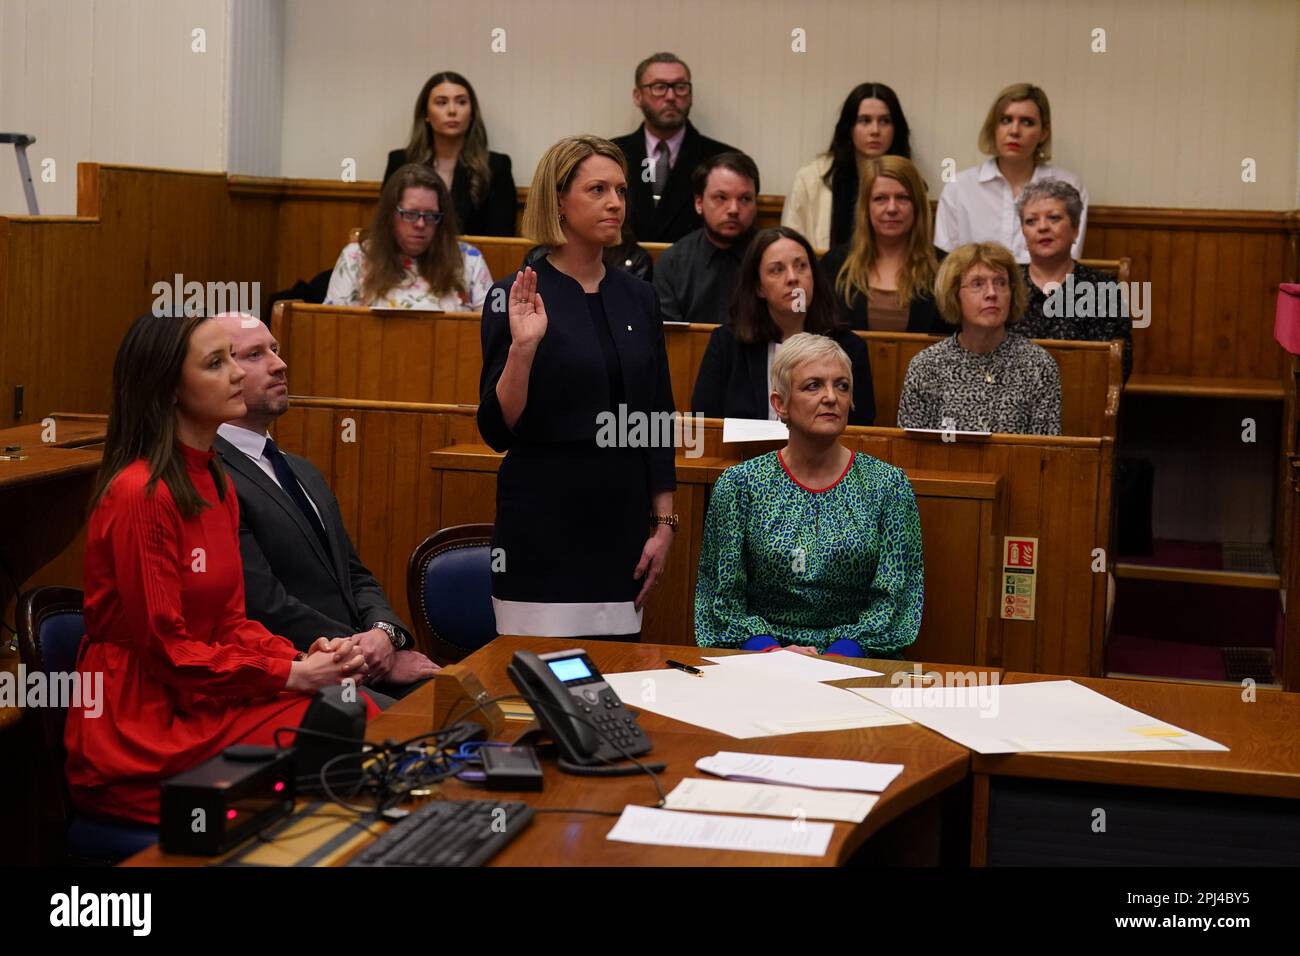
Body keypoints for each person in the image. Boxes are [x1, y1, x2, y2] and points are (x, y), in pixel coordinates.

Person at [63, 312, 378, 825]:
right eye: (216, 363)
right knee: (339, 737)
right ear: (168, 389)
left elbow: (231, 624)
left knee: (354, 716)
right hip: (143, 729)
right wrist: (291, 675)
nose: (236, 373)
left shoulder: (214, 478)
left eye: (234, 358)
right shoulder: (141, 493)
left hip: (202, 698)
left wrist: (301, 655)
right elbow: (167, 649)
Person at [478, 135, 677, 640]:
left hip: (620, 525)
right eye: (597, 190)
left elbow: (657, 413)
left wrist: (664, 525)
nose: (615, 203)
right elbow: (498, 429)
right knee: (531, 691)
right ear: (558, 202)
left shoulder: (639, 297)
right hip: (541, 520)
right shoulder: (514, 294)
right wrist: (523, 348)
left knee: (615, 685)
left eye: (621, 190)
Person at [211, 314, 441, 699]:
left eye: (275, 350)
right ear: (216, 373)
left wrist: (384, 634)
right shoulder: (210, 477)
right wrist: (366, 656)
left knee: (471, 709)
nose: (279, 364)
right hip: (300, 673)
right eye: (254, 354)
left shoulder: (301, 469)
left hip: (359, 661)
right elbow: (264, 606)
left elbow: (355, 576)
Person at [695, 333, 923, 658]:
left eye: (842, 386)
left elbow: (896, 600)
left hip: (857, 661)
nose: (831, 397)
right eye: (813, 385)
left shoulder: (888, 486)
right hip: (761, 662)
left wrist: (837, 657)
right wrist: (773, 652)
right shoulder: (739, 485)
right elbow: (720, 600)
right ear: (780, 404)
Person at [691, 226, 874, 424]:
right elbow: (705, 423)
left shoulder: (849, 347)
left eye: (801, 266)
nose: (793, 278)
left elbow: (861, 429)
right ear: (758, 287)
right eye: (777, 270)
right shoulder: (727, 344)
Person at [897, 242, 1062, 435]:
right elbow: (910, 452)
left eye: (1001, 283)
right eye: (977, 284)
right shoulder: (926, 367)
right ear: (954, 295)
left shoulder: (1038, 365)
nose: (992, 293)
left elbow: (1045, 455)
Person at [934, 83, 1088, 264]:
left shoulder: (1068, 186)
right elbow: (947, 264)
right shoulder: (959, 188)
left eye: (1027, 122)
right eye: (1006, 120)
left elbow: (1066, 261)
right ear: (994, 128)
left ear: (1043, 133)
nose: (1014, 131)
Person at [325, 163, 492, 311]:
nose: (420, 224)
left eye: (431, 215)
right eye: (410, 214)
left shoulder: (469, 260)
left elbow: (490, 332)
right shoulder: (355, 257)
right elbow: (332, 328)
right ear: (390, 215)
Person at [611, 52, 738, 243]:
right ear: (638, 96)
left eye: (680, 87)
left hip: (694, 269)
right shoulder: (611, 155)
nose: (670, 96)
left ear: (691, 95)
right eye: (659, 87)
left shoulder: (723, 160)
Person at [1016, 179, 1133, 382]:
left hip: (1078, 400)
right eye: (1031, 221)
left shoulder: (1101, 289)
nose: (1042, 227)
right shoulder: (1005, 284)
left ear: (1076, 229)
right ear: (1023, 233)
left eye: (1053, 218)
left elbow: (1116, 366)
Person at [820, 156, 946, 333]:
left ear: (917, 205)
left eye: (902, 198)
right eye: (880, 198)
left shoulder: (944, 268)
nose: (892, 208)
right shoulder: (834, 264)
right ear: (866, 207)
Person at [383, 71, 517, 236]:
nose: (452, 110)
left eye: (461, 102)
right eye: (441, 102)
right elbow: (387, 225)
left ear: (472, 113)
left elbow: (502, 236)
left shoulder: (497, 166)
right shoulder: (400, 162)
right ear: (426, 114)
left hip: (477, 259)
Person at [782, 82, 912, 251]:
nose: (875, 130)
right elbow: (788, 244)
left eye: (884, 121)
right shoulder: (811, 178)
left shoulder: (910, 179)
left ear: (896, 129)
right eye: (865, 121)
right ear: (849, 127)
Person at [654, 151, 760, 325]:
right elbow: (669, 338)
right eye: (721, 198)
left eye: (745, 199)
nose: (733, 209)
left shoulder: (773, 258)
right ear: (699, 203)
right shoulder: (673, 263)